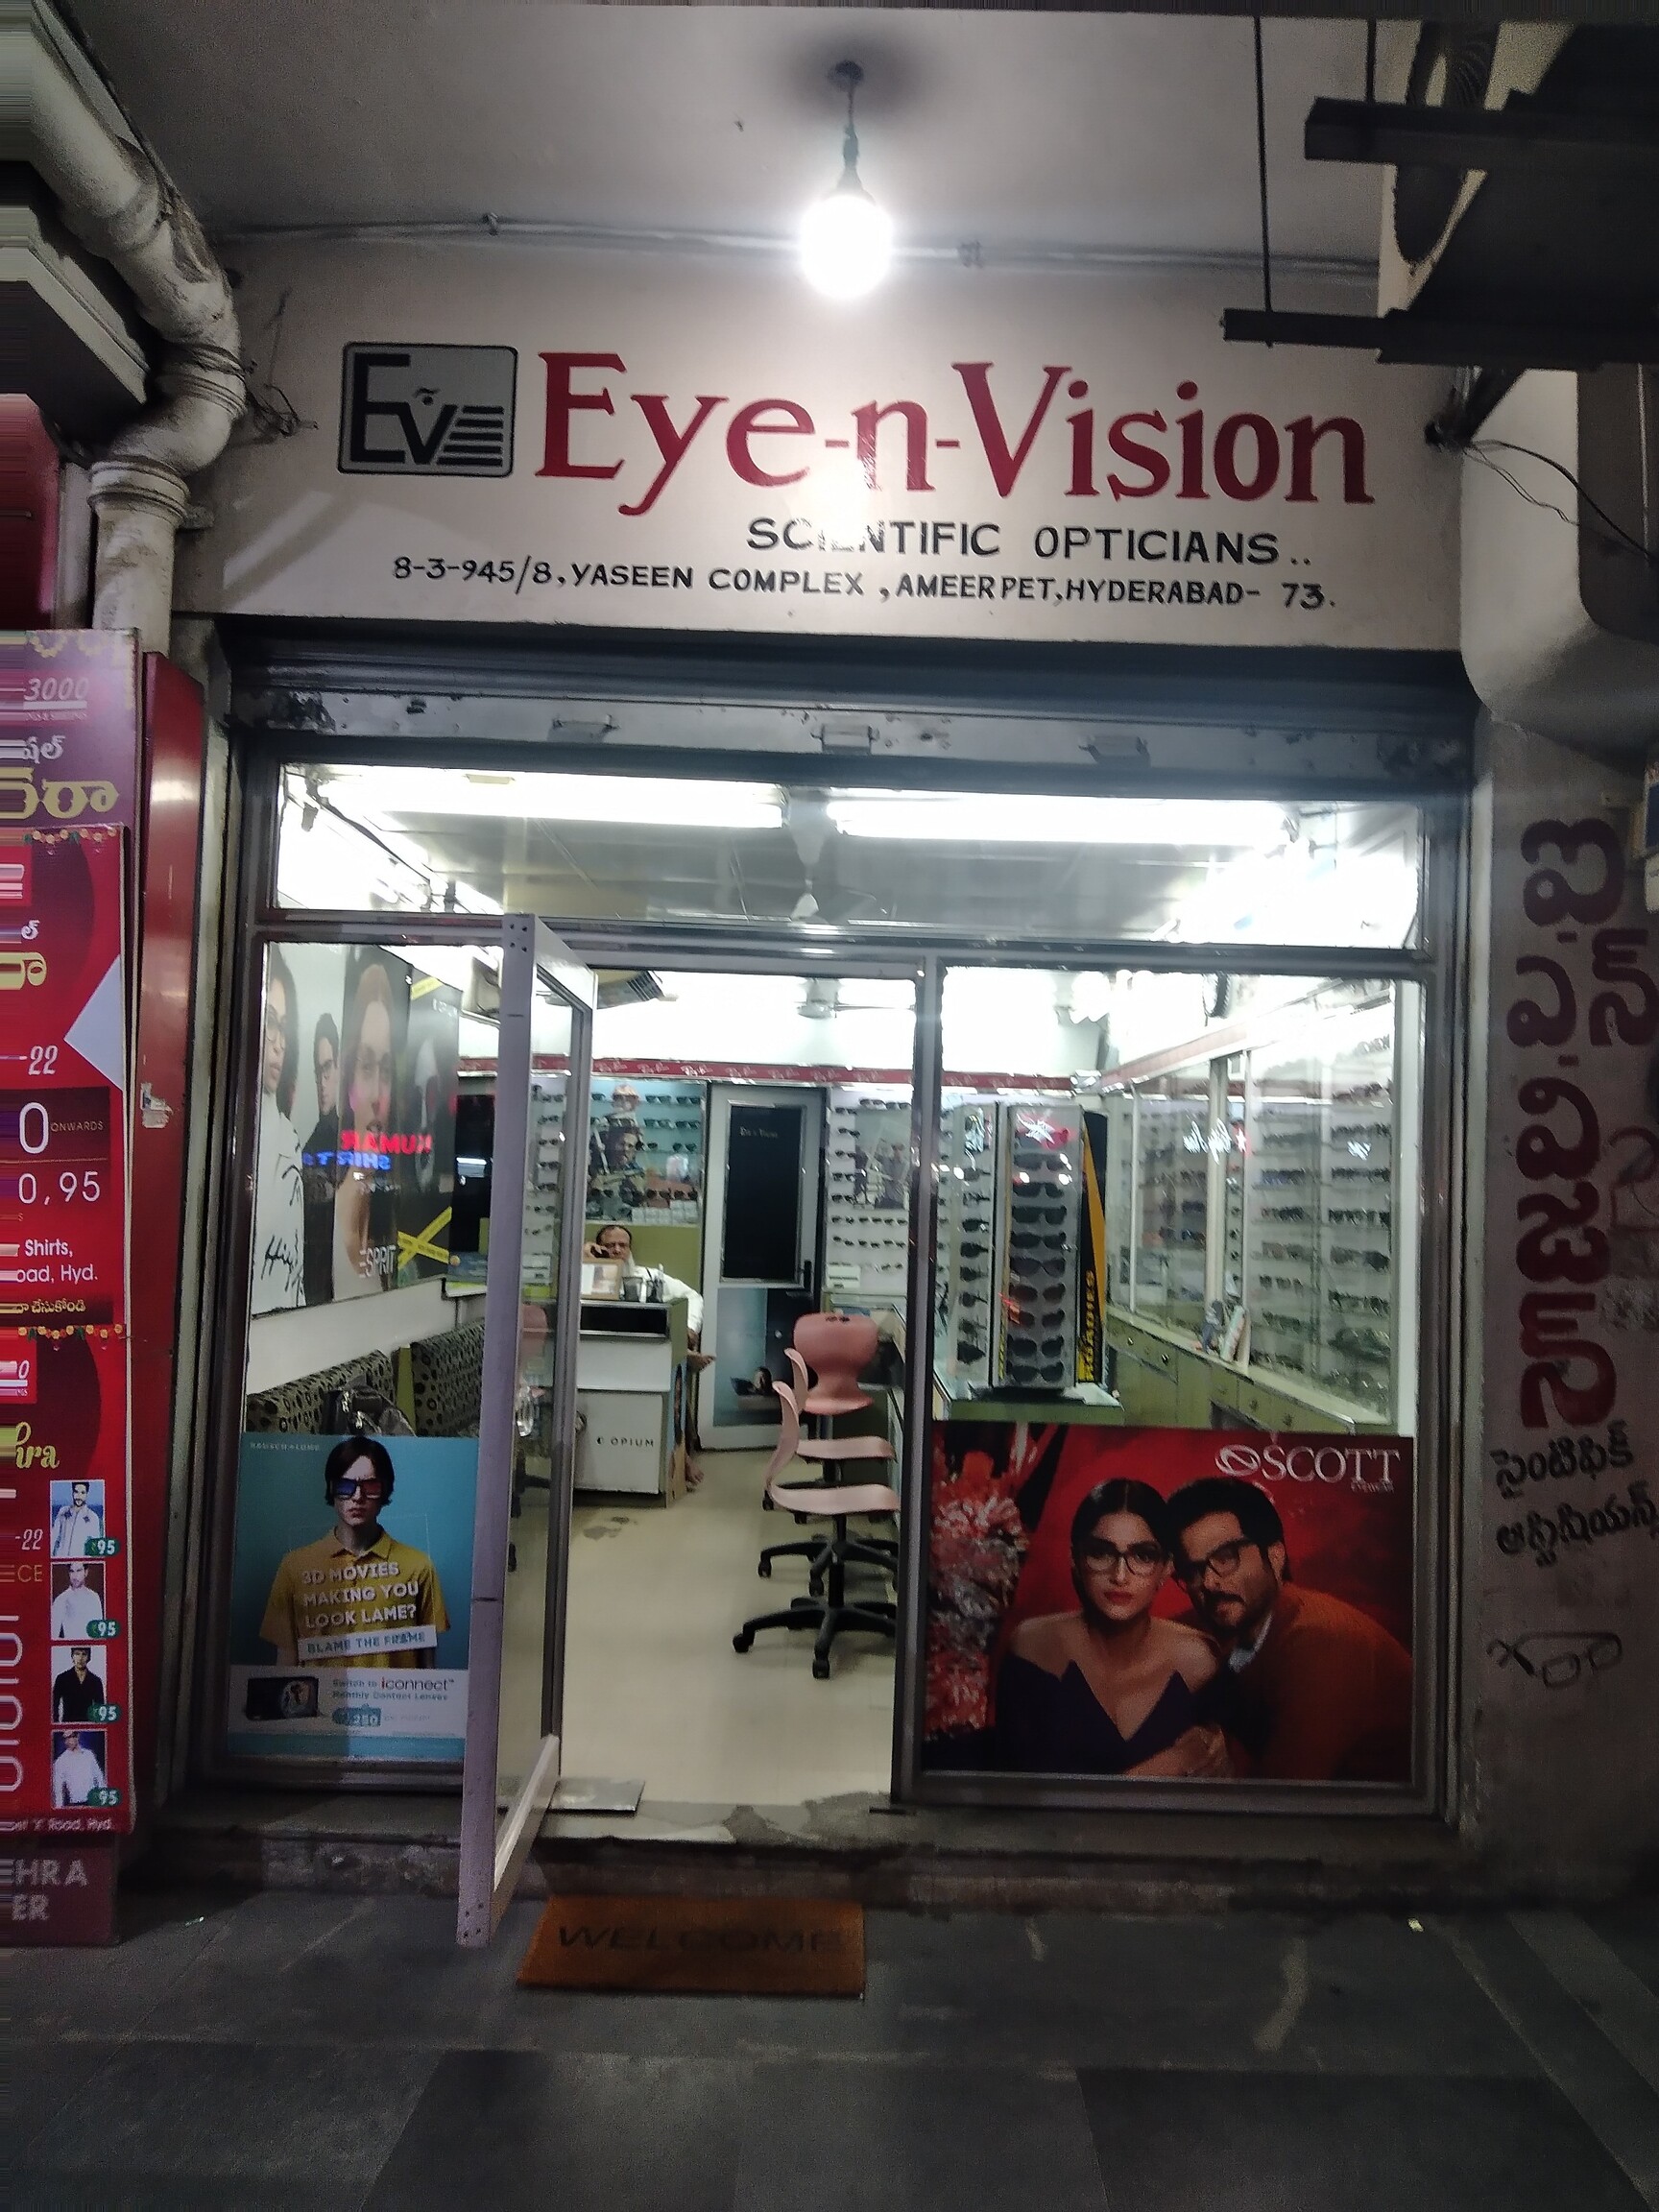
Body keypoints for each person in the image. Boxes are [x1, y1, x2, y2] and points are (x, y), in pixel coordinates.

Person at [1166, 1476, 1412, 1782]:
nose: (1209, 1583)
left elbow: (1285, 1791)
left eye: (1226, 1558)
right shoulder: (1225, 1623)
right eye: (1192, 1571)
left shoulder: (1322, 1640)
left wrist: (1220, 1757)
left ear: (1275, 1556)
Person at [995, 1479, 1229, 1777]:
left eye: (1142, 1555)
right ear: (1076, 1559)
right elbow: (1019, 1794)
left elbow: (1230, 1781)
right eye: (1101, 1553)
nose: (1120, 1576)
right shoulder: (1033, 1649)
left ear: (1166, 1568)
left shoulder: (1199, 1661)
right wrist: (1169, 1764)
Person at [260, 1435, 447, 1670]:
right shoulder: (294, 1566)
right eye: (345, 1486)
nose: (357, 1497)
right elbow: (286, 1662)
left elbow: (428, 1668)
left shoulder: (418, 1566)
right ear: (332, 1489)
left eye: (370, 1487)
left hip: (394, 1694)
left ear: (385, 1490)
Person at [333, 962, 397, 1301]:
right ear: (348, 1081)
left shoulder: (386, 1223)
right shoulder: (324, 1228)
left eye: (385, 1071)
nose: (376, 1095)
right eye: (366, 1066)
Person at [252, 949, 304, 1313]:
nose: (279, 1042)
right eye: (270, 1022)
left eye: (283, 1027)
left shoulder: (289, 1141)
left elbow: (296, 1266)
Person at [584, 1221, 704, 1340]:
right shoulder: (588, 1279)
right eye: (610, 1245)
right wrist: (586, 1261)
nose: (617, 1250)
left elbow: (692, 1297)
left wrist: (690, 1326)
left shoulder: (651, 1278)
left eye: (623, 1245)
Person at [301, 1011, 341, 1305]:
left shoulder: (347, 1139)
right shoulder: (312, 1143)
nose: (322, 1083)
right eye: (318, 1072)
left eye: (328, 1069)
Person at [50, 1560, 103, 1642]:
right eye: (72, 1571)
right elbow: (53, 1635)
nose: (75, 1576)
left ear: (86, 1572)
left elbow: (99, 1632)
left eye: (78, 1570)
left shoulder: (94, 1597)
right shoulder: (61, 1599)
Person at [51, 1729, 104, 1807]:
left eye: (70, 1737)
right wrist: (59, 1808)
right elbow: (58, 1789)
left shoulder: (89, 1755)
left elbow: (99, 1777)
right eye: (65, 1738)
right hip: (76, 1804)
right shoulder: (60, 1761)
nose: (68, 1742)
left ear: (77, 1736)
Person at [53, 1647, 105, 1723]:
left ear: (88, 1657)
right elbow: (54, 1704)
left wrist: (96, 1727)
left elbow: (100, 1708)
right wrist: (57, 1725)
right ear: (72, 1656)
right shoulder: (62, 1678)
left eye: (84, 1654)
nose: (80, 1658)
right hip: (67, 1725)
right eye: (77, 1654)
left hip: (88, 1726)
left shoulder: (95, 1681)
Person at [50, 1480, 102, 1557]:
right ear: (72, 1493)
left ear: (86, 1494)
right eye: (76, 1492)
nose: (79, 1497)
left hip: (80, 1561)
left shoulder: (93, 1517)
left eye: (82, 1493)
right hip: (61, 1559)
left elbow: (95, 1548)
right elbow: (53, 1536)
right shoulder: (63, 1511)